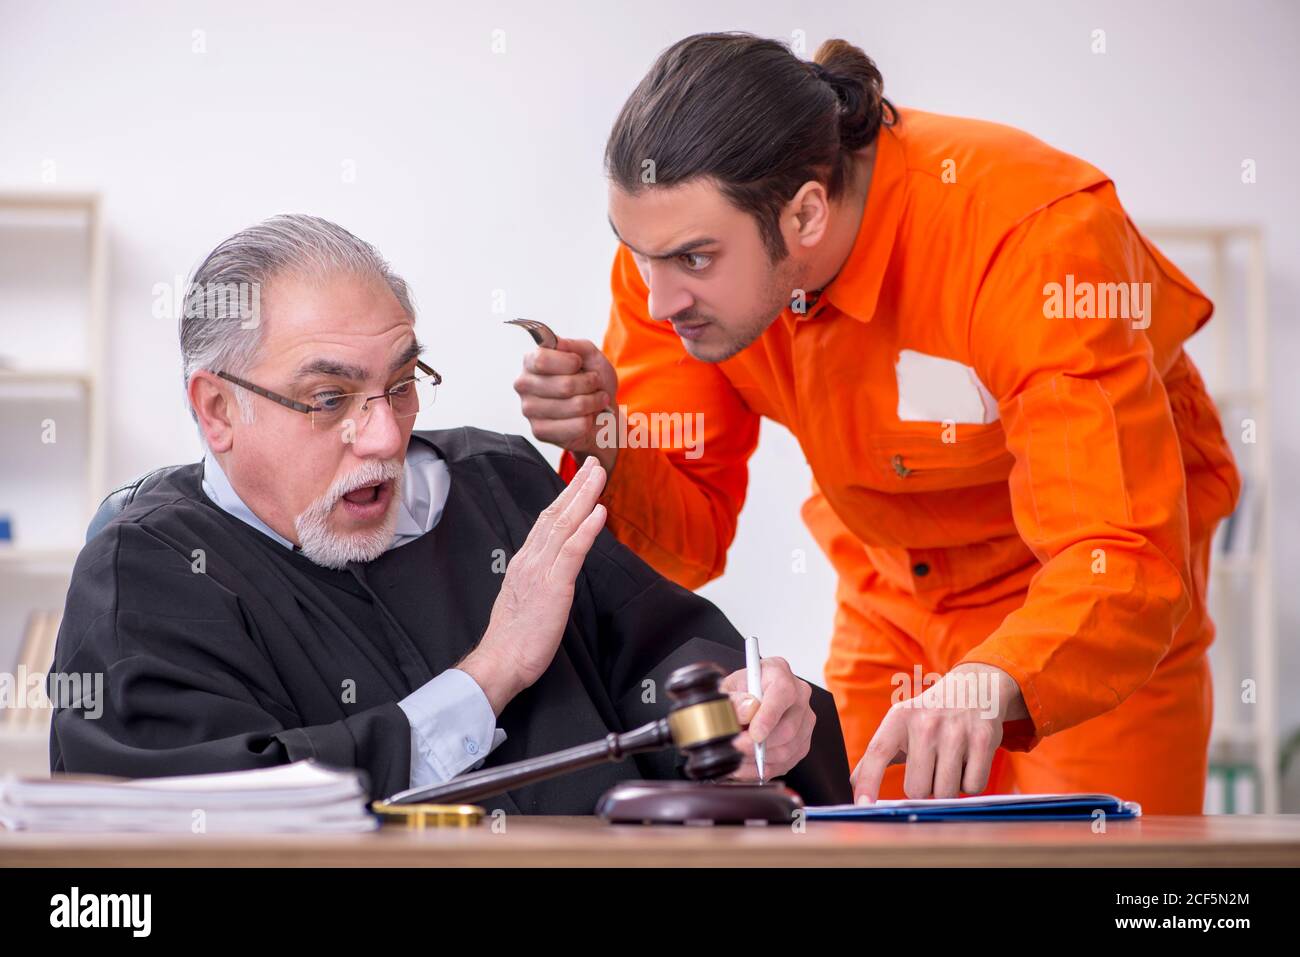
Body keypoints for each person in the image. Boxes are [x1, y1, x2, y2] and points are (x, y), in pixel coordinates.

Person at [513, 33, 1241, 812]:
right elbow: (688, 541)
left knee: (1095, 855)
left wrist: (998, 678)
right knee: (858, 844)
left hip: (1087, 617)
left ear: (806, 212)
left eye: (693, 259)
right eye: (638, 255)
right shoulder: (669, 267)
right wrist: (609, 448)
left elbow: (1118, 551)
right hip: (891, 595)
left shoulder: (1028, 235)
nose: (656, 302)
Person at [48, 214, 851, 811]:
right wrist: (491, 672)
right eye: (330, 399)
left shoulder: (496, 483)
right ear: (217, 409)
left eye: (401, 384)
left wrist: (746, 718)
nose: (386, 436)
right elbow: (209, 818)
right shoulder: (147, 573)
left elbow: (663, 663)